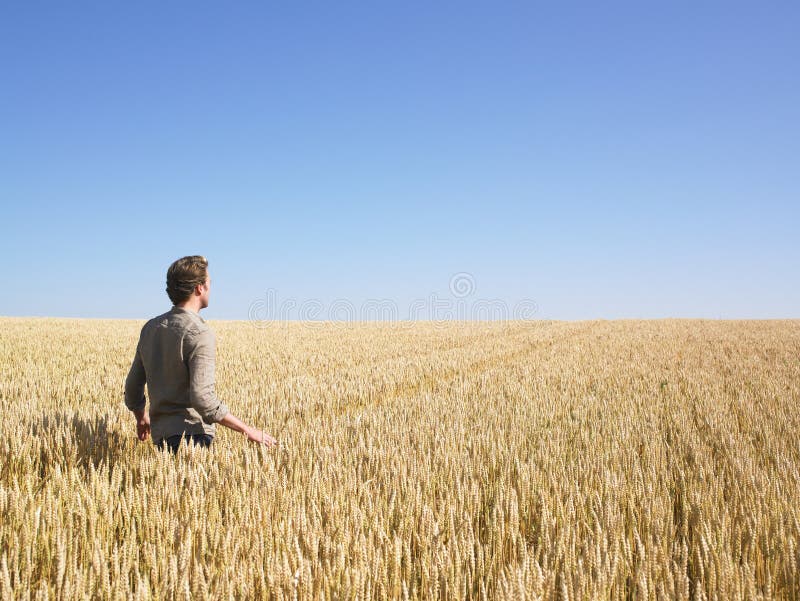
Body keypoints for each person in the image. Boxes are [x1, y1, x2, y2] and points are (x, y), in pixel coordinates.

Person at [124, 255, 278, 453]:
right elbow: (202, 398)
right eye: (209, 283)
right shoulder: (199, 332)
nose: (210, 288)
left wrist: (141, 417)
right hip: (193, 436)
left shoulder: (151, 328)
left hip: (161, 435)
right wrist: (248, 430)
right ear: (199, 288)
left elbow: (132, 388)